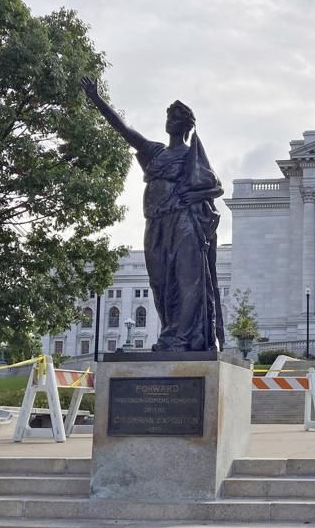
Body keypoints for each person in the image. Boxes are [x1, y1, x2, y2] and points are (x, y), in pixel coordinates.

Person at [81, 77, 224, 351]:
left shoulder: (191, 156)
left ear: (186, 126)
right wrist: (97, 100)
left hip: (183, 222)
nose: (171, 120)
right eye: (169, 116)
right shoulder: (155, 152)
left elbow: (214, 186)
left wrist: (190, 196)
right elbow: (124, 131)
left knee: (187, 280)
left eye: (177, 117)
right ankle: (171, 333)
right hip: (156, 225)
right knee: (160, 283)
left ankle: (184, 339)